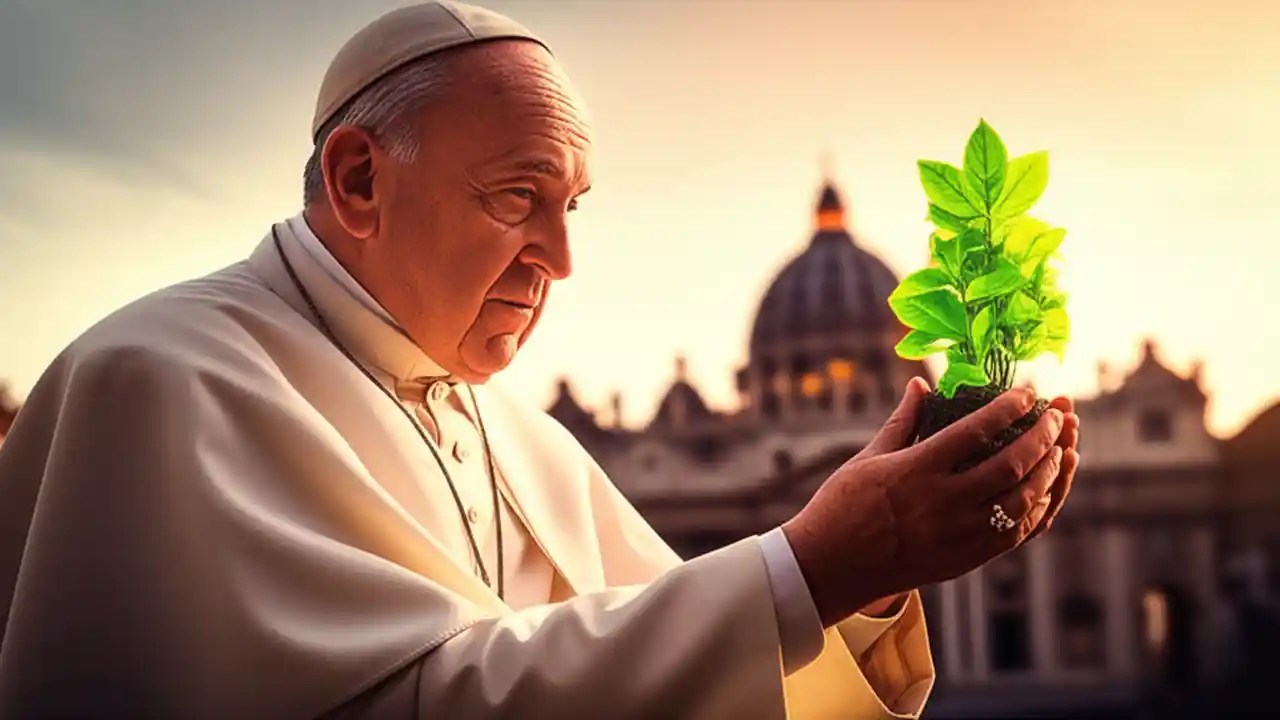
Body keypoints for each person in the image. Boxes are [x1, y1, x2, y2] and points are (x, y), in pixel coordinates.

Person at [0, 2, 1080, 718]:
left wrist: (872, 570)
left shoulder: (519, 437)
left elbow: (695, 670)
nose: (559, 260)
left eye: (570, 210)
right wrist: (825, 557)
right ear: (359, 180)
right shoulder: (156, 381)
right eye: (516, 199)